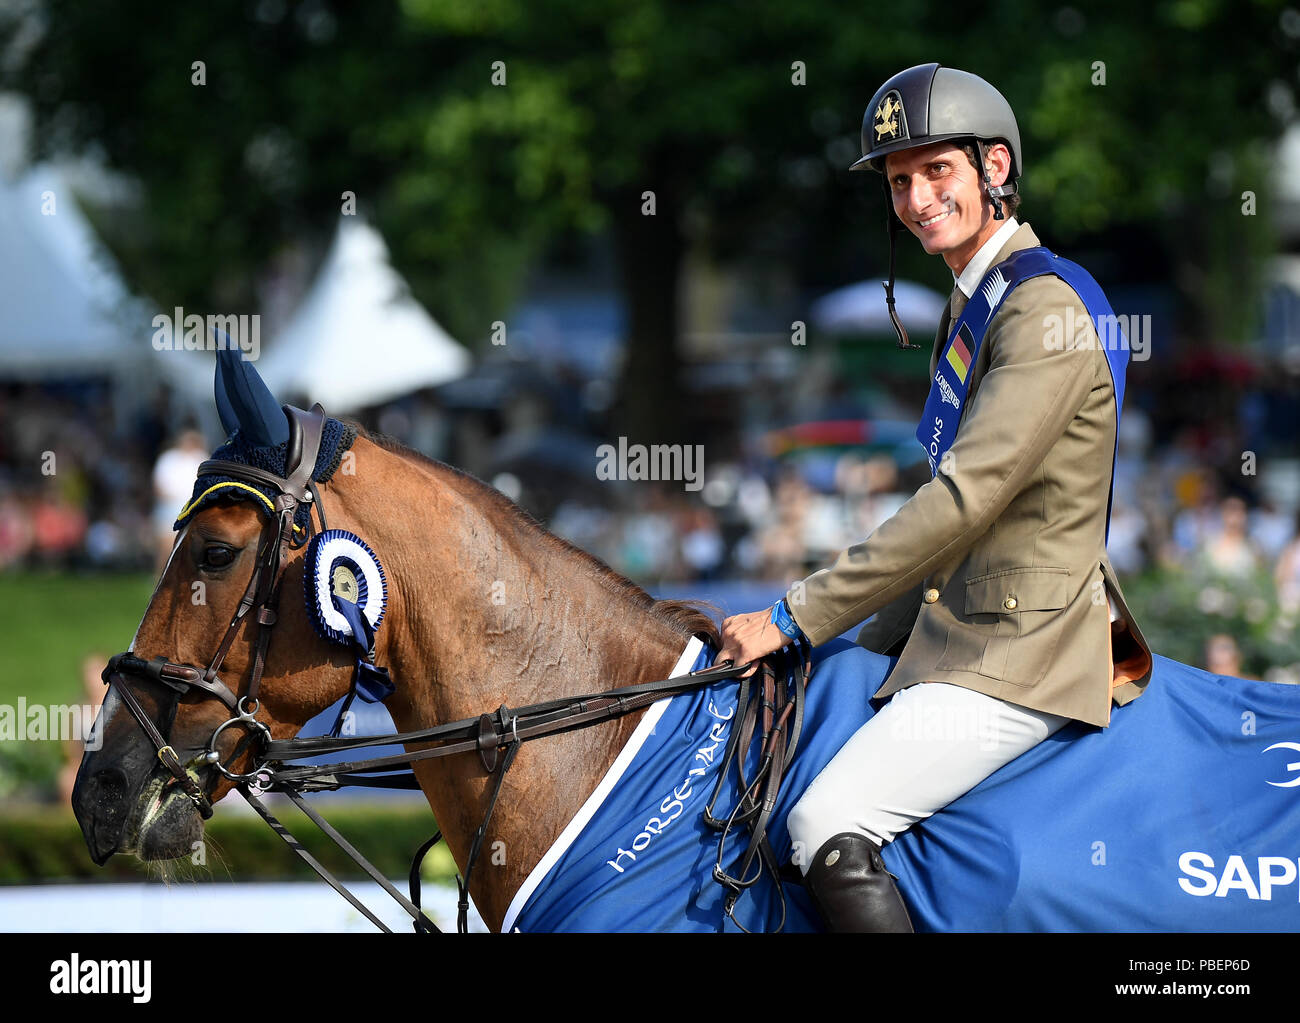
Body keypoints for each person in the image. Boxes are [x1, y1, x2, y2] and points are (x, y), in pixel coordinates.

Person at [718, 63, 1154, 932]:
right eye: (899, 181)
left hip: (1021, 648)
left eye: (936, 171)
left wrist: (794, 615)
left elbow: (961, 501)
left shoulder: (1042, 309)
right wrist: (829, 649)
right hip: (958, 634)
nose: (917, 199)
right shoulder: (977, 305)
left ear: (995, 167)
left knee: (822, 820)